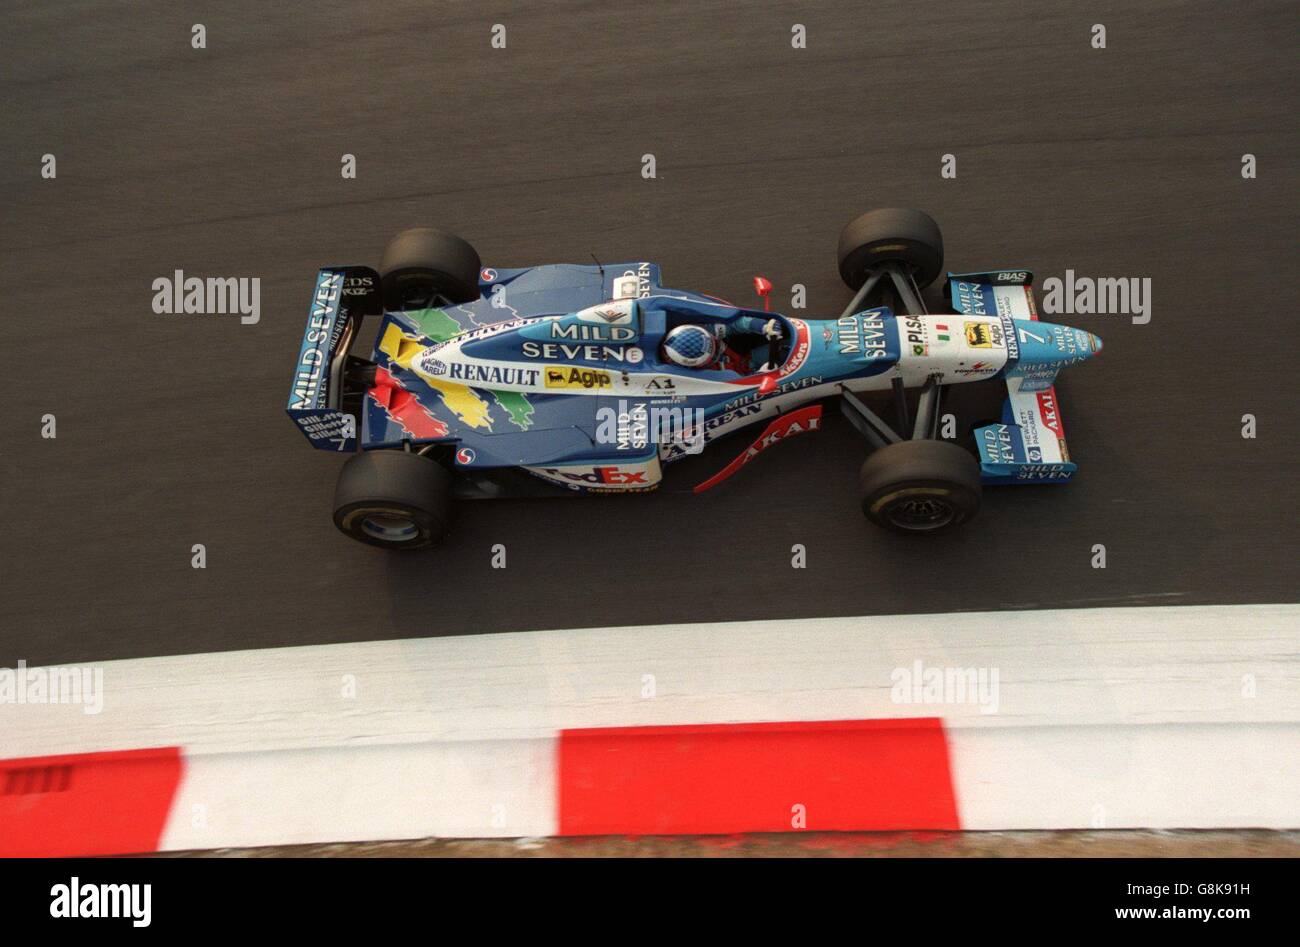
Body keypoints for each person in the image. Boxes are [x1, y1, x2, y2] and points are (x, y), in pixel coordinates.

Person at [660, 317, 782, 372]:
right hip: (744, 376)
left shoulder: (703, 330)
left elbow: (734, 325)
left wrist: (762, 326)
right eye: (713, 356)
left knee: (783, 349)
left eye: (715, 345)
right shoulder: (696, 376)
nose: (719, 350)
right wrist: (759, 376)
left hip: (745, 358)